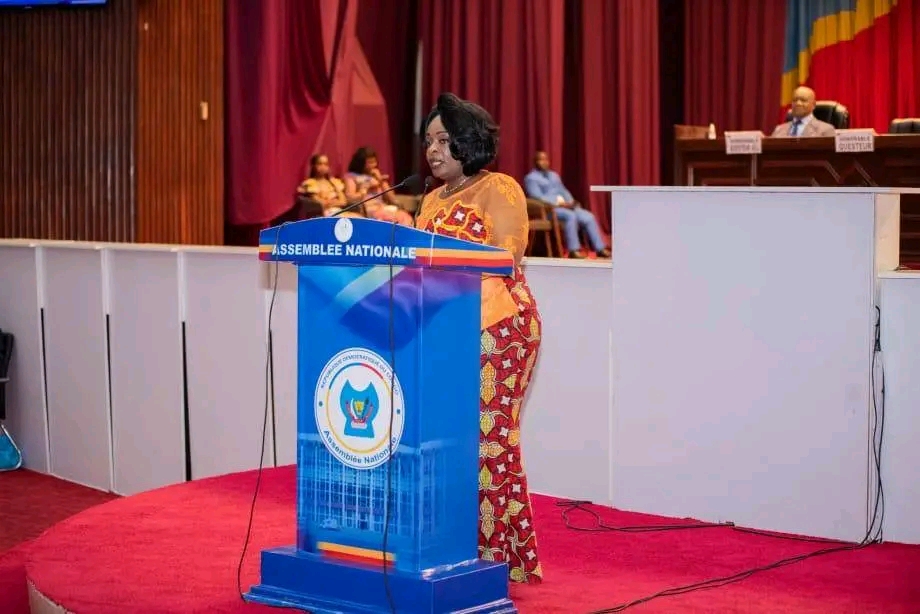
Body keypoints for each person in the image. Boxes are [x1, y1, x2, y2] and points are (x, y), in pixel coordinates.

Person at [417, 92, 543, 584]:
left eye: (444, 140)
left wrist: (442, 258)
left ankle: (501, 558)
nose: (433, 150)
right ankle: (456, 548)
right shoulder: (428, 199)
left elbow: (505, 256)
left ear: (468, 141)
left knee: (490, 439)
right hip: (446, 328)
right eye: (428, 141)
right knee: (449, 440)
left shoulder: (500, 188)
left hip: (499, 325)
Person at [524, 151, 610, 258]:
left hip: (566, 207)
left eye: (546, 160)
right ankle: (573, 250)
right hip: (549, 210)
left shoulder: (554, 175)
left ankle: (600, 248)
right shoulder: (531, 178)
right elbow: (536, 196)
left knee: (589, 216)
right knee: (571, 216)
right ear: (535, 162)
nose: (544, 162)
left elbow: (563, 190)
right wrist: (558, 203)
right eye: (541, 160)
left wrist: (570, 202)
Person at [344, 146, 414, 226]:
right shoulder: (351, 176)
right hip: (368, 209)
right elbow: (350, 198)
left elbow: (392, 198)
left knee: (405, 217)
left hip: (382, 207)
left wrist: (380, 180)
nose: (373, 165)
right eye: (370, 162)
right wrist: (365, 188)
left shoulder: (376, 176)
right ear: (361, 163)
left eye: (374, 162)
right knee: (394, 219)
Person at [771, 86, 836, 138]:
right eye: (795, 100)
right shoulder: (779, 129)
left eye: (803, 100)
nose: (798, 103)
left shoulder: (826, 130)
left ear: (813, 105)